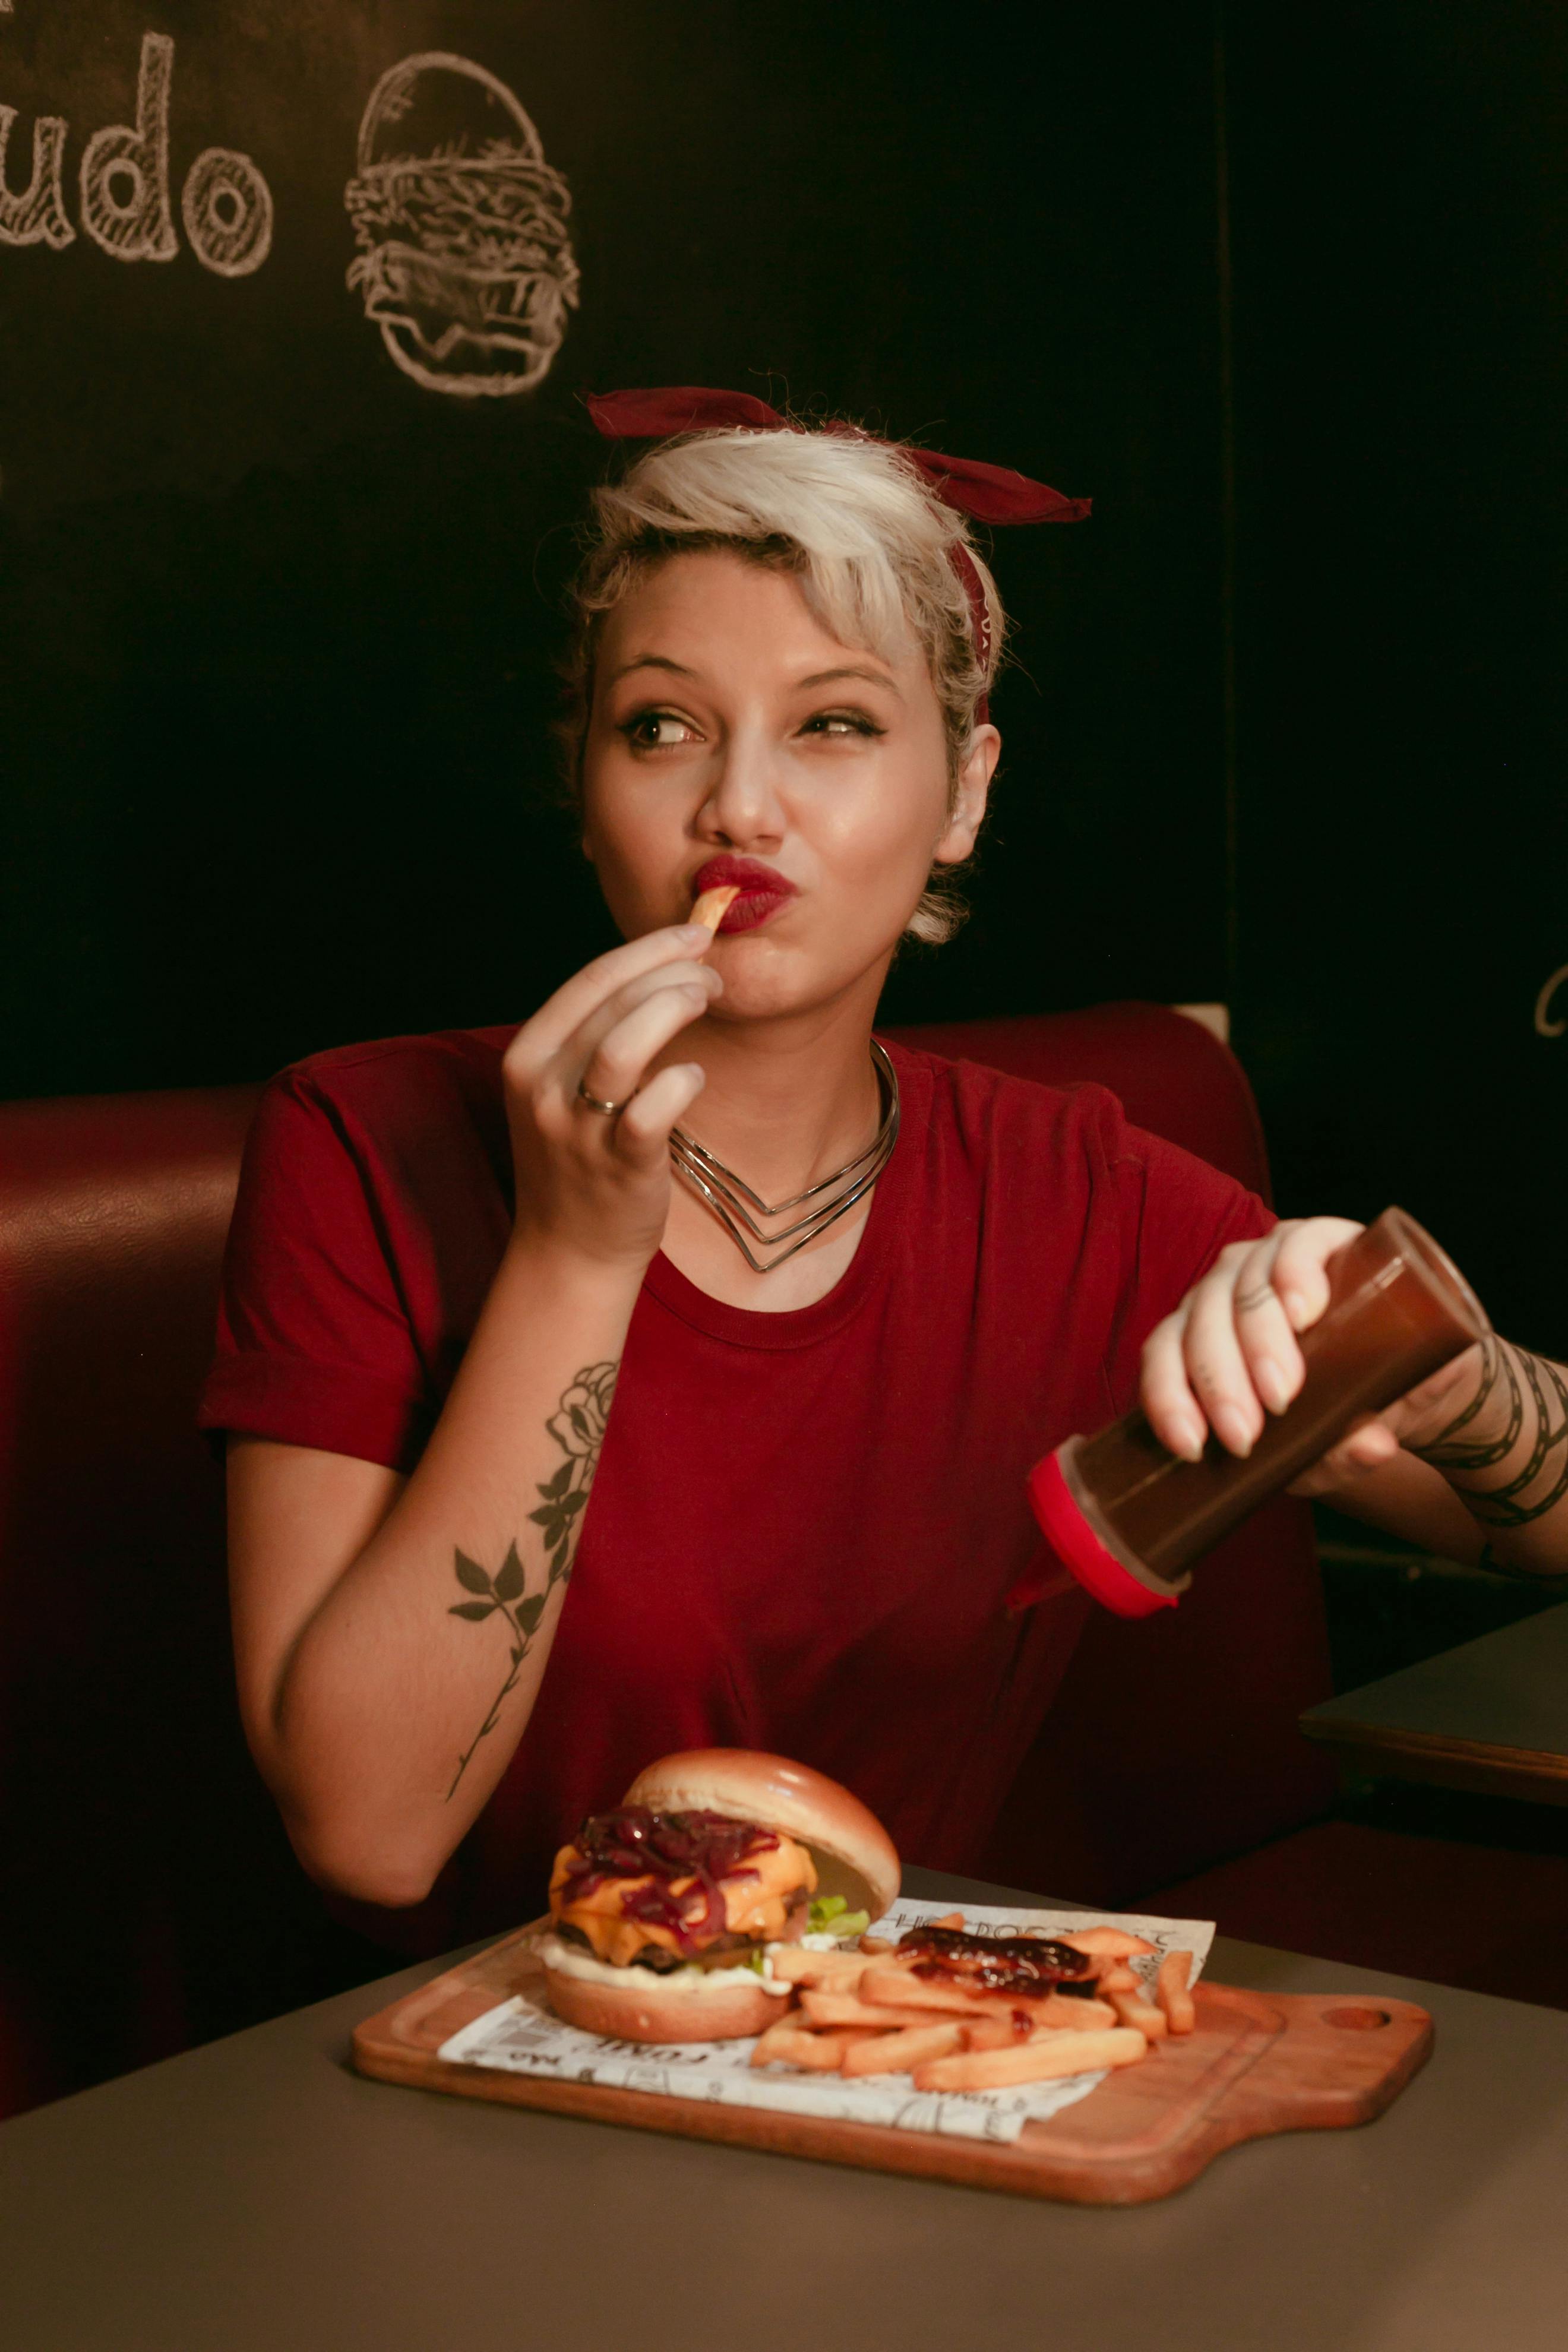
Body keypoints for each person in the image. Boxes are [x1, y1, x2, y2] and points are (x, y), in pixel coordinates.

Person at [200, 393, 1568, 1946]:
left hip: (886, 2062)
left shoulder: (1080, 1193)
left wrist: (1447, 1385)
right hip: (437, 2091)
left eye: (834, 723)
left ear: (966, 792)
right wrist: (577, 1258)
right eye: (662, 725)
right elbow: (369, 1834)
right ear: (586, 782)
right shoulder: (359, 1143)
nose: (739, 805)